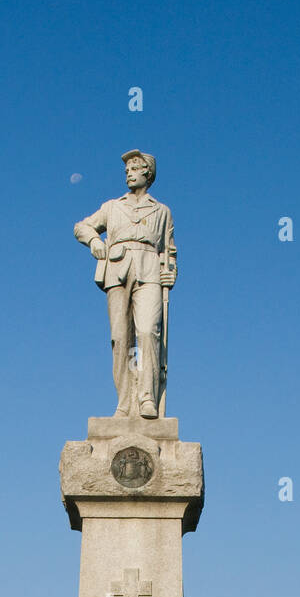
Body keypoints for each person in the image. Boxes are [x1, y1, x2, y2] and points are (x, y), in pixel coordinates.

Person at [74, 150, 176, 418]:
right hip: (117, 270)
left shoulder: (162, 211)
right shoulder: (112, 206)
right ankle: (125, 401)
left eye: (135, 168)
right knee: (121, 339)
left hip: (150, 270)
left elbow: (169, 251)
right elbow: (82, 227)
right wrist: (95, 241)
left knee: (148, 333)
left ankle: (146, 397)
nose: (129, 173)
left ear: (148, 172)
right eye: (127, 170)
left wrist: (172, 272)